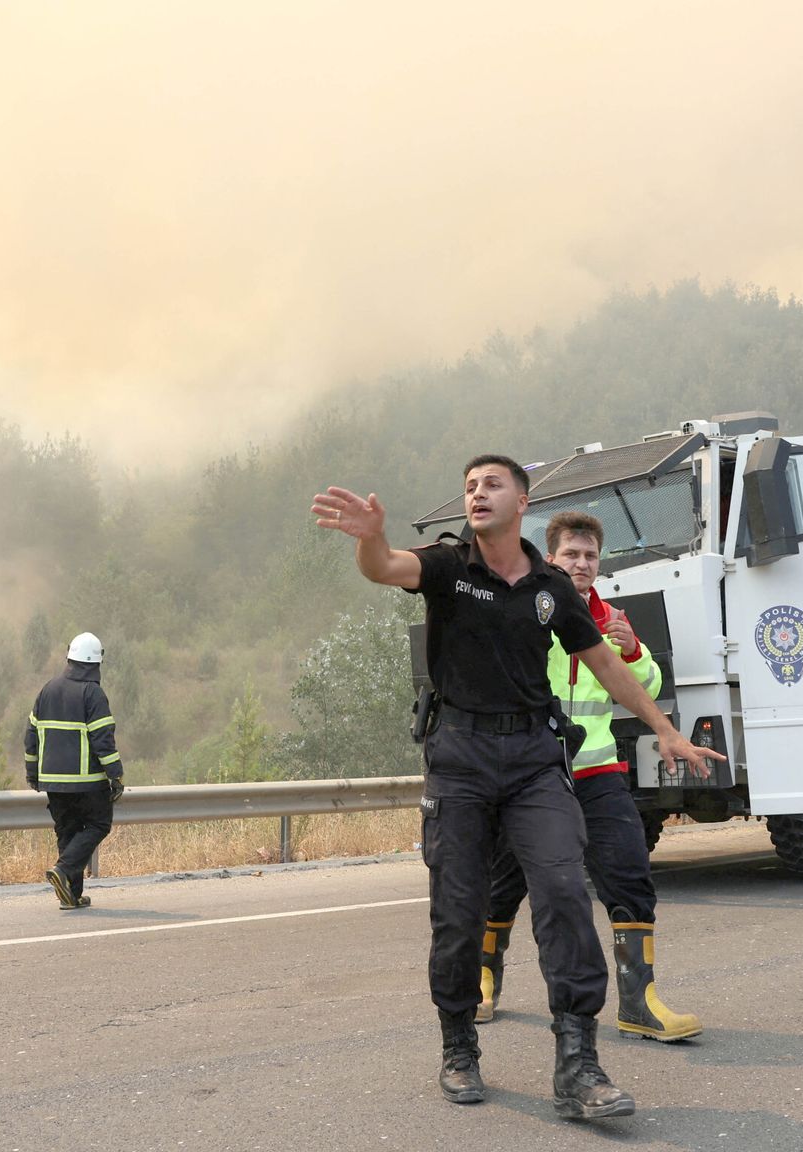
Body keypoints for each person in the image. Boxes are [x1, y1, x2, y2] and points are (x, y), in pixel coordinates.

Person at [311, 457, 724, 1120]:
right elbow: (385, 567)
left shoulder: (550, 587)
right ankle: (458, 1048)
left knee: (563, 891)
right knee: (459, 910)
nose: (476, 492)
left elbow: (602, 663)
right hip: (462, 757)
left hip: (535, 756)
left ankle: (578, 1064)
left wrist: (665, 730)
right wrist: (370, 537)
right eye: (470, 484)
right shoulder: (447, 565)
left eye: (491, 484)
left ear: (522, 501)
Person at [476, 510, 701, 1043]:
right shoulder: (528, 606)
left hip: (598, 768)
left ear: (600, 563)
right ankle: (483, 978)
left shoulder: (609, 616)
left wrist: (630, 648)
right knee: (502, 882)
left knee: (629, 873)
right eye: (570, 555)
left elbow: (644, 681)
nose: (581, 563)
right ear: (550, 558)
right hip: (531, 772)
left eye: (590, 556)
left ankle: (638, 1002)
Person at [23, 631, 125, 911]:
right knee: (98, 825)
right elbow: (103, 737)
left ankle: (72, 895)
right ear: (96, 663)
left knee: (68, 833)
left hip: (53, 783)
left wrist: (33, 773)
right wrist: (115, 774)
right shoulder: (92, 693)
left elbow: (31, 736)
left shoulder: (47, 689)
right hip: (87, 782)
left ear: (69, 657)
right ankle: (64, 869)